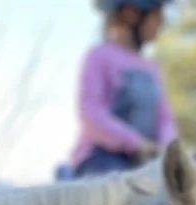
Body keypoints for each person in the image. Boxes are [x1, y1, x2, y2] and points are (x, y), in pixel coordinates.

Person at [69, 0, 177, 178]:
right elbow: (91, 113)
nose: (162, 23)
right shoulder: (99, 57)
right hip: (103, 158)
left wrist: (169, 148)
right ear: (131, 14)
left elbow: (165, 118)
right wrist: (136, 143)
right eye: (157, 16)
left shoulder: (152, 67)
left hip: (147, 159)